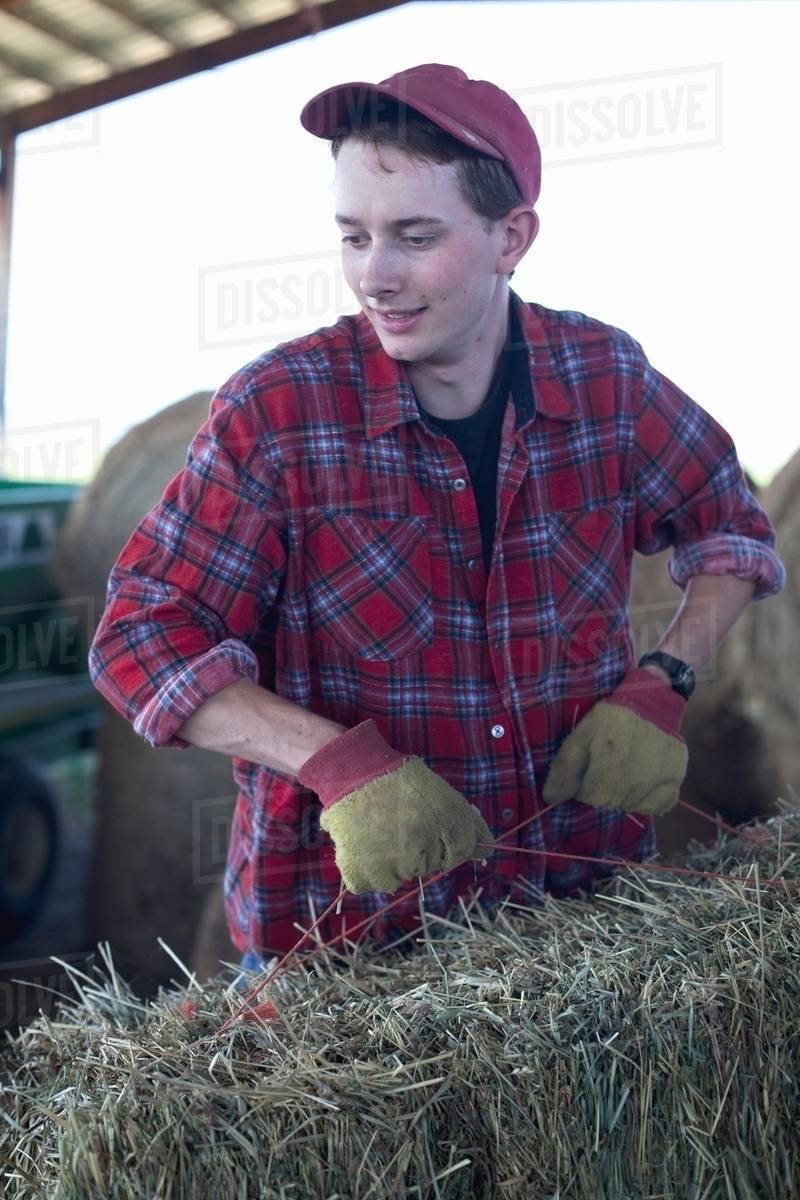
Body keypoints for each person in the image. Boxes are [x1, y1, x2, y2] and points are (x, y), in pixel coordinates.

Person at [88, 64, 785, 969]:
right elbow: (141, 637)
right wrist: (333, 763)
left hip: (575, 922)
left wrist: (663, 682)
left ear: (511, 237)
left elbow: (730, 524)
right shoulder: (279, 413)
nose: (375, 276)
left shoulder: (605, 379)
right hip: (345, 948)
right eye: (353, 236)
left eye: (415, 237)